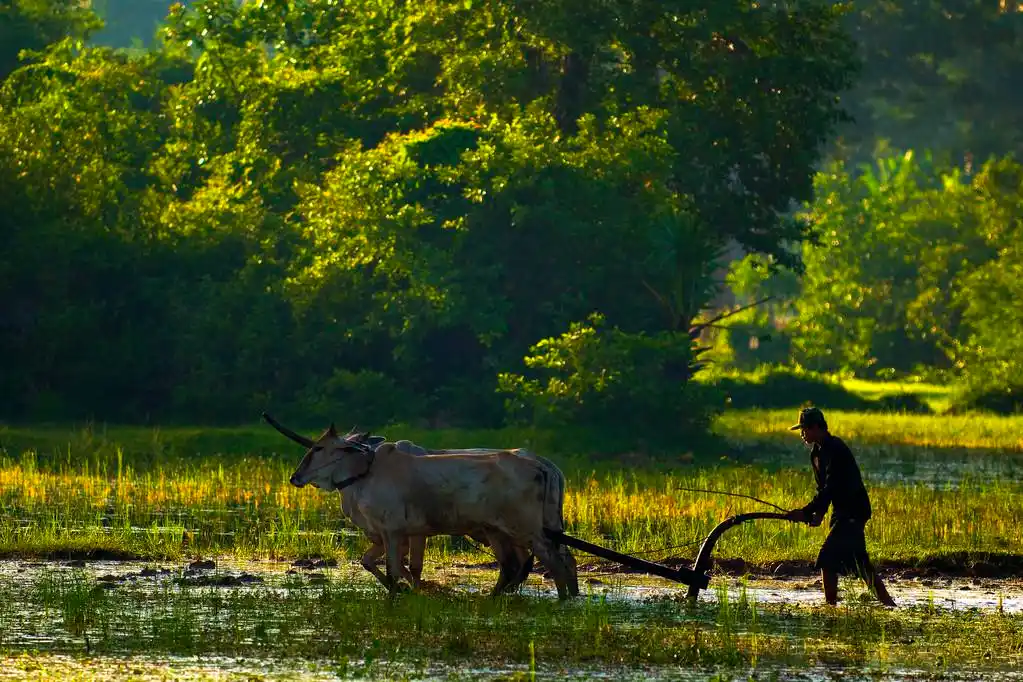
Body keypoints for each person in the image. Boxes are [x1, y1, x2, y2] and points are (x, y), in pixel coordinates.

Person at [786, 406, 896, 607]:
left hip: (853, 509)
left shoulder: (836, 449)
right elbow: (823, 489)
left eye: (805, 429)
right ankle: (889, 605)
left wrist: (805, 511)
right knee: (861, 564)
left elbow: (831, 486)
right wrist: (818, 514)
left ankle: (831, 606)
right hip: (841, 511)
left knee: (827, 559)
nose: (802, 434)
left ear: (817, 427)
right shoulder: (816, 454)